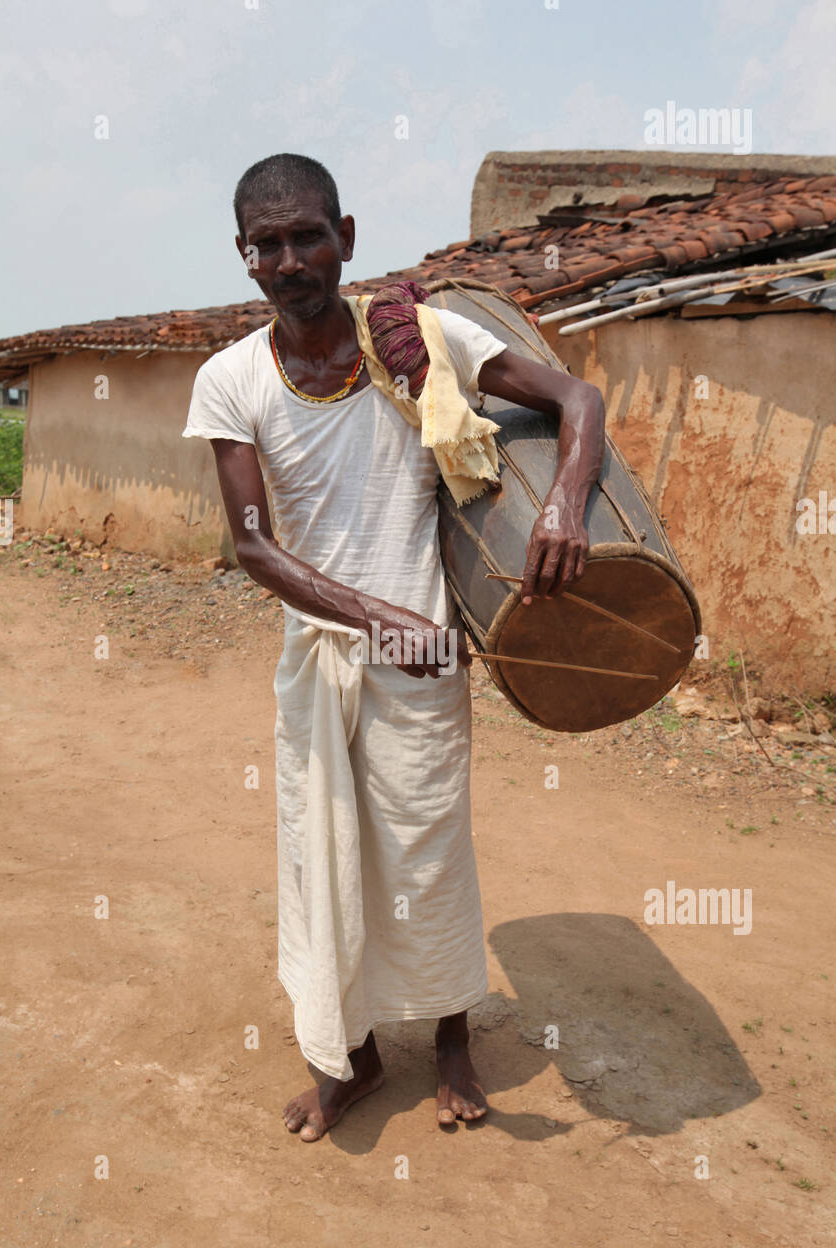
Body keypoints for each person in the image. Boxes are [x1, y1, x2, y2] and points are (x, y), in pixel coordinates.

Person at [183, 153, 604, 1142]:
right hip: (322, 663)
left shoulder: (417, 341)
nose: (290, 259)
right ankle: (352, 1056)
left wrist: (564, 506)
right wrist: (375, 620)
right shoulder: (228, 379)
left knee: (426, 854)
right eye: (267, 242)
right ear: (244, 257)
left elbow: (575, 403)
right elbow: (251, 545)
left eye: (307, 235)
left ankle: (450, 1039)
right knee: (323, 859)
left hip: (425, 669)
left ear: (347, 237)